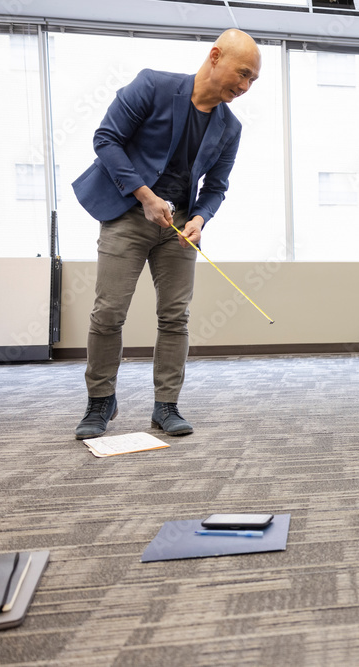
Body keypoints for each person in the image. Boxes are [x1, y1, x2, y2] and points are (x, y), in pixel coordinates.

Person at [72, 29, 261, 440]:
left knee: (175, 318)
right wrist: (144, 194)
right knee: (108, 314)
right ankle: (100, 401)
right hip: (127, 214)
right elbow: (105, 140)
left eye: (253, 81)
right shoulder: (152, 86)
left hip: (178, 230)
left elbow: (216, 187)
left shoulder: (230, 127)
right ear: (215, 56)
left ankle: (166, 406)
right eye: (242, 73)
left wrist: (201, 219)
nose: (245, 86)